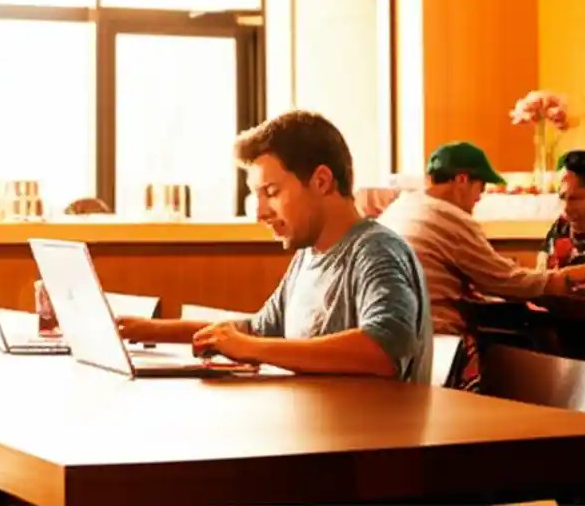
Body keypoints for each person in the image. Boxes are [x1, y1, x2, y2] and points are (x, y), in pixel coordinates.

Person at [118, 110, 432, 383]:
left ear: (322, 181)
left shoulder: (377, 251)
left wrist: (250, 348)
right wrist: (146, 329)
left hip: (369, 446)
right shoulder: (307, 258)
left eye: (271, 191)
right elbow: (253, 332)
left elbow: (383, 350)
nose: (260, 212)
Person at [376, 141, 585, 390]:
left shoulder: (399, 209)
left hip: (393, 339)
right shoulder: (448, 217)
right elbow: (506, 281)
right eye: (481, 186)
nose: (479, 197)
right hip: (435, 340)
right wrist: (564, 279)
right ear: (462, 180)